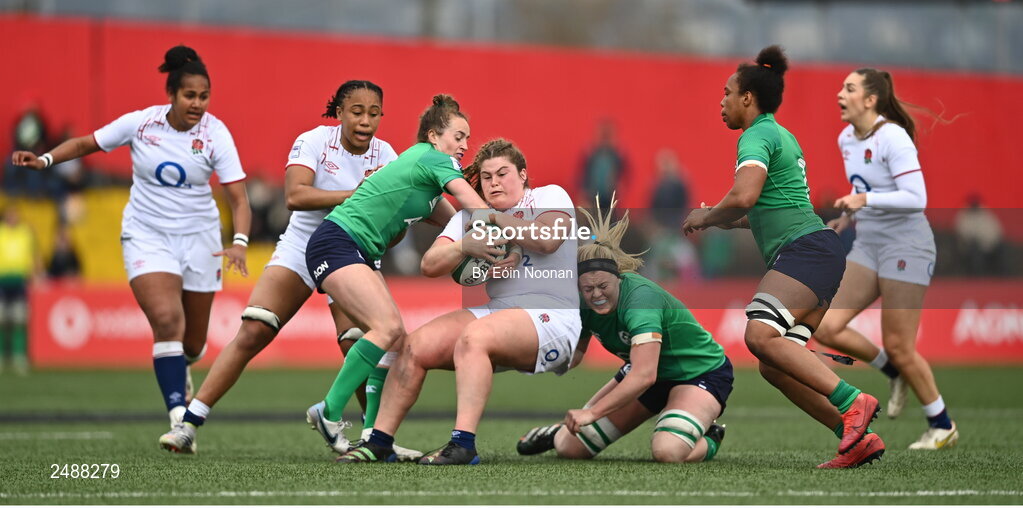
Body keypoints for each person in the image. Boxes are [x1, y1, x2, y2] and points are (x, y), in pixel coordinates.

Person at [157, 81, 415, 459]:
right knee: (253, 330)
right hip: (304, 247)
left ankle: (374, 439)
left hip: (353, 252)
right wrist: (359, 195)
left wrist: (393, 226)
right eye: (356, 112)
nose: (365, 121)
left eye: (374, 113)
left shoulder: (388, 156)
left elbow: (394, 225)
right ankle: (189, 425)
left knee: (359, 341)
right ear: (339, 112)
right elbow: (296, 196)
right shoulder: (313, 141)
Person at [11, 45, 251, 429]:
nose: (198, 103)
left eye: (204, 96)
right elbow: (86, 143)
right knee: (166, 319)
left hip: (200, 239)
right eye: (190, 95)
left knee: (193, 344)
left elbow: (238, 198)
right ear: (170, 95)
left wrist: (239, 241)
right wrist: (46, 160)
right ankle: (178, 416)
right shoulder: (141, 124)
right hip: (147, 233)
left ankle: (181, 365)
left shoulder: (216, 134)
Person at [682, 46, 885, 469]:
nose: (721, 102)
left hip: (805, 251)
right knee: (775, 365)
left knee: (758, 336)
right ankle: (855, 436)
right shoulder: (782, 134)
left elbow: (745, 196)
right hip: (818, 251)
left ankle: (853, 400)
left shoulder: (755, 135)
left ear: (748, 99)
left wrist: (706, 215)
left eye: (727, 93)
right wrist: (724, 220)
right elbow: (763, 209)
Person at [334, 138, 581, 466]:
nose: (494, 182)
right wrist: (464, 246)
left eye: (503, 173)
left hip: (553, 315)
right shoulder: (471, 215)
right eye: (487, 176)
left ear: (523, 175)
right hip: (500, 314)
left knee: (474, 336)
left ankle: (463, 444)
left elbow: (547, 240)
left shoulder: (549, 195)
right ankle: (379, 442)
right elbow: (430, 264)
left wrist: (493, 221)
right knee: (413, 345)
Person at [304, 94, 490, 457]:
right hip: (336, 242)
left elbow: (456, 220)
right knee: (387, 329)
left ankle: (376, 437)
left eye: (468, 138)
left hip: (353, 249)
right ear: (434, 136)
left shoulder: (423, 169)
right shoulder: (433, 158)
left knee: (394, 339)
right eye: (459, 136)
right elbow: (475, 208)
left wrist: (477, 240)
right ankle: (328, 411)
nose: (466, 145)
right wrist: (517, 228)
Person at [516, 196, 730, 463]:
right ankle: (557, 432)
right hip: (648, 375)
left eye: (603, 286)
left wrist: (592, 413)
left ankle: (710, 436)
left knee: (667, 451)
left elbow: (643, 375)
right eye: (588, 289)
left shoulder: (641, 300)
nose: (596, 295)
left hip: (699, 373)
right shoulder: (581, 301)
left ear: (618, 277)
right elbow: (575, 355)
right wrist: (526, 358)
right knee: (569, 447)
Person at [813, 68, 958, 450]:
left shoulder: (892, 136)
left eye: (849, 88)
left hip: (906, 244)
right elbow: (866, 186)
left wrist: (864, 200)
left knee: (900, 344)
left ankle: (942, 424)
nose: (840, 94)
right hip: (869, 243)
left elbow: (916, 197)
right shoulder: (846, 138)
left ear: (871, 99)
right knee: (826, 326)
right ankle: (891, 372)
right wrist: (848, 216)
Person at [0, 206, 43, 375]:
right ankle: (2, 356)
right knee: (1, 321)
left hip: (19, 281)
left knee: (19, 320)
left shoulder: (25, 232)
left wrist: (36, 273)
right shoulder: (1, 232)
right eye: (10, 214)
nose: (13, 217)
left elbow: (35, 255)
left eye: (15, 214)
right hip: (2, 281)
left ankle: (19, 357)